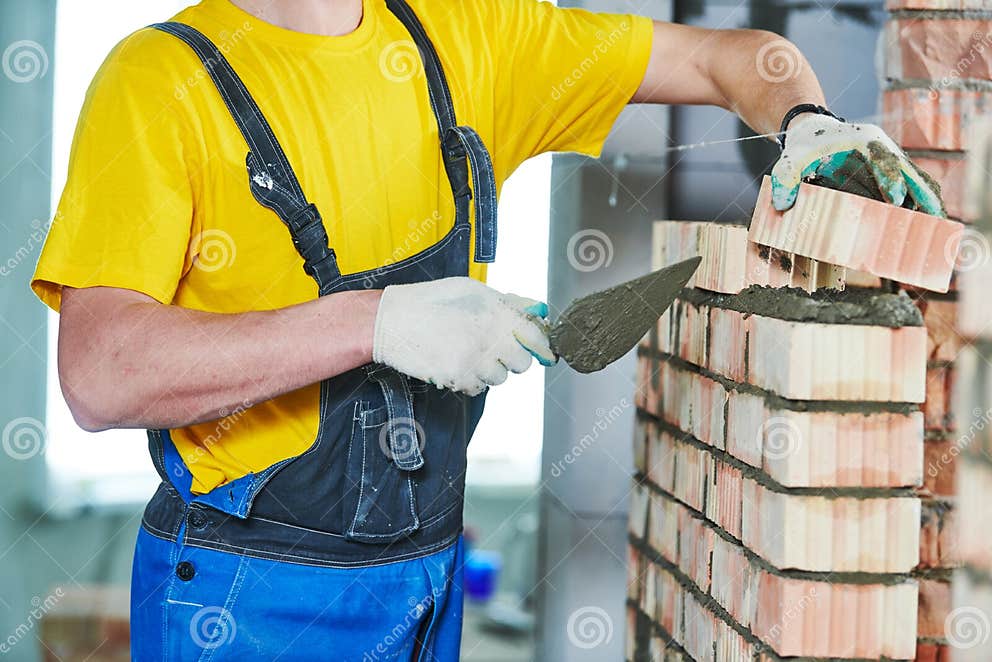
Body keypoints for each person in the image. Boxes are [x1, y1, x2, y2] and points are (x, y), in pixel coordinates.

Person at [30, 0, 942, 658]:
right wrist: (374, 323)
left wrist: (807, 118)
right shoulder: (159, 80)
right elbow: (100, 372)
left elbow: (726, 56)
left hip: (430, 575)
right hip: (249, 598)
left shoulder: (468, 36)